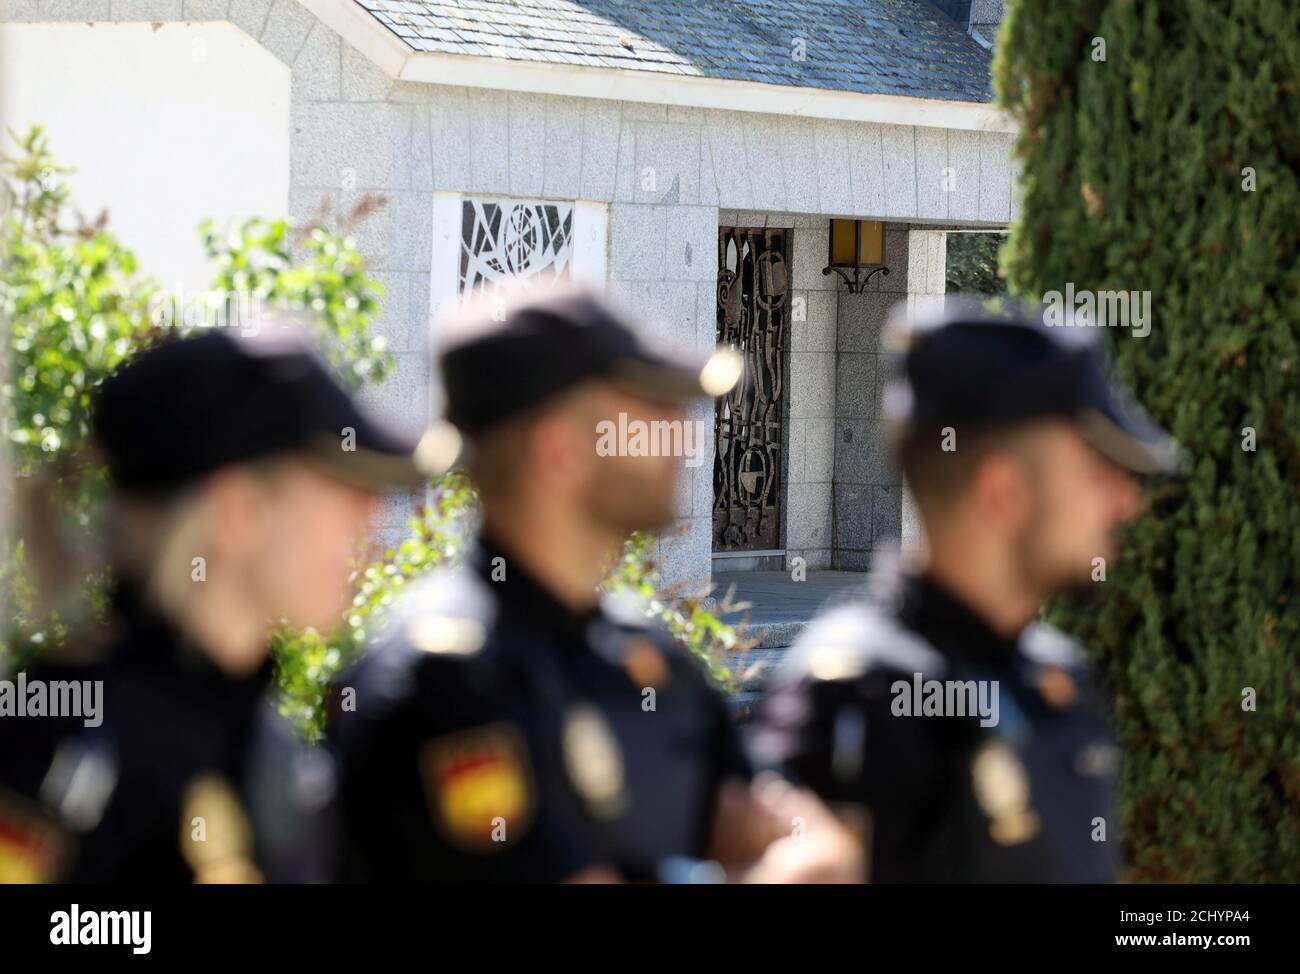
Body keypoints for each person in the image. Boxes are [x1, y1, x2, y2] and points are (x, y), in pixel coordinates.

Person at [330, 285, 862, 883]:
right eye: (651, 408)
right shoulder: (443, 680)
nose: (682, 437)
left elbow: (791, 826)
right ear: (558, 447)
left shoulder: (644, 650)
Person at [748, 298, 1184, 882]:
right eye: (1096, 472)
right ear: (1002, 491)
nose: (1125, 501)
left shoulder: (1058, 678)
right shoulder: (860, 697)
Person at [0, 325, 432, 883]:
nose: (369, 528)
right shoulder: (52, 730)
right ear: (238, 511)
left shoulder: (252, 725)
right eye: (350, 492)